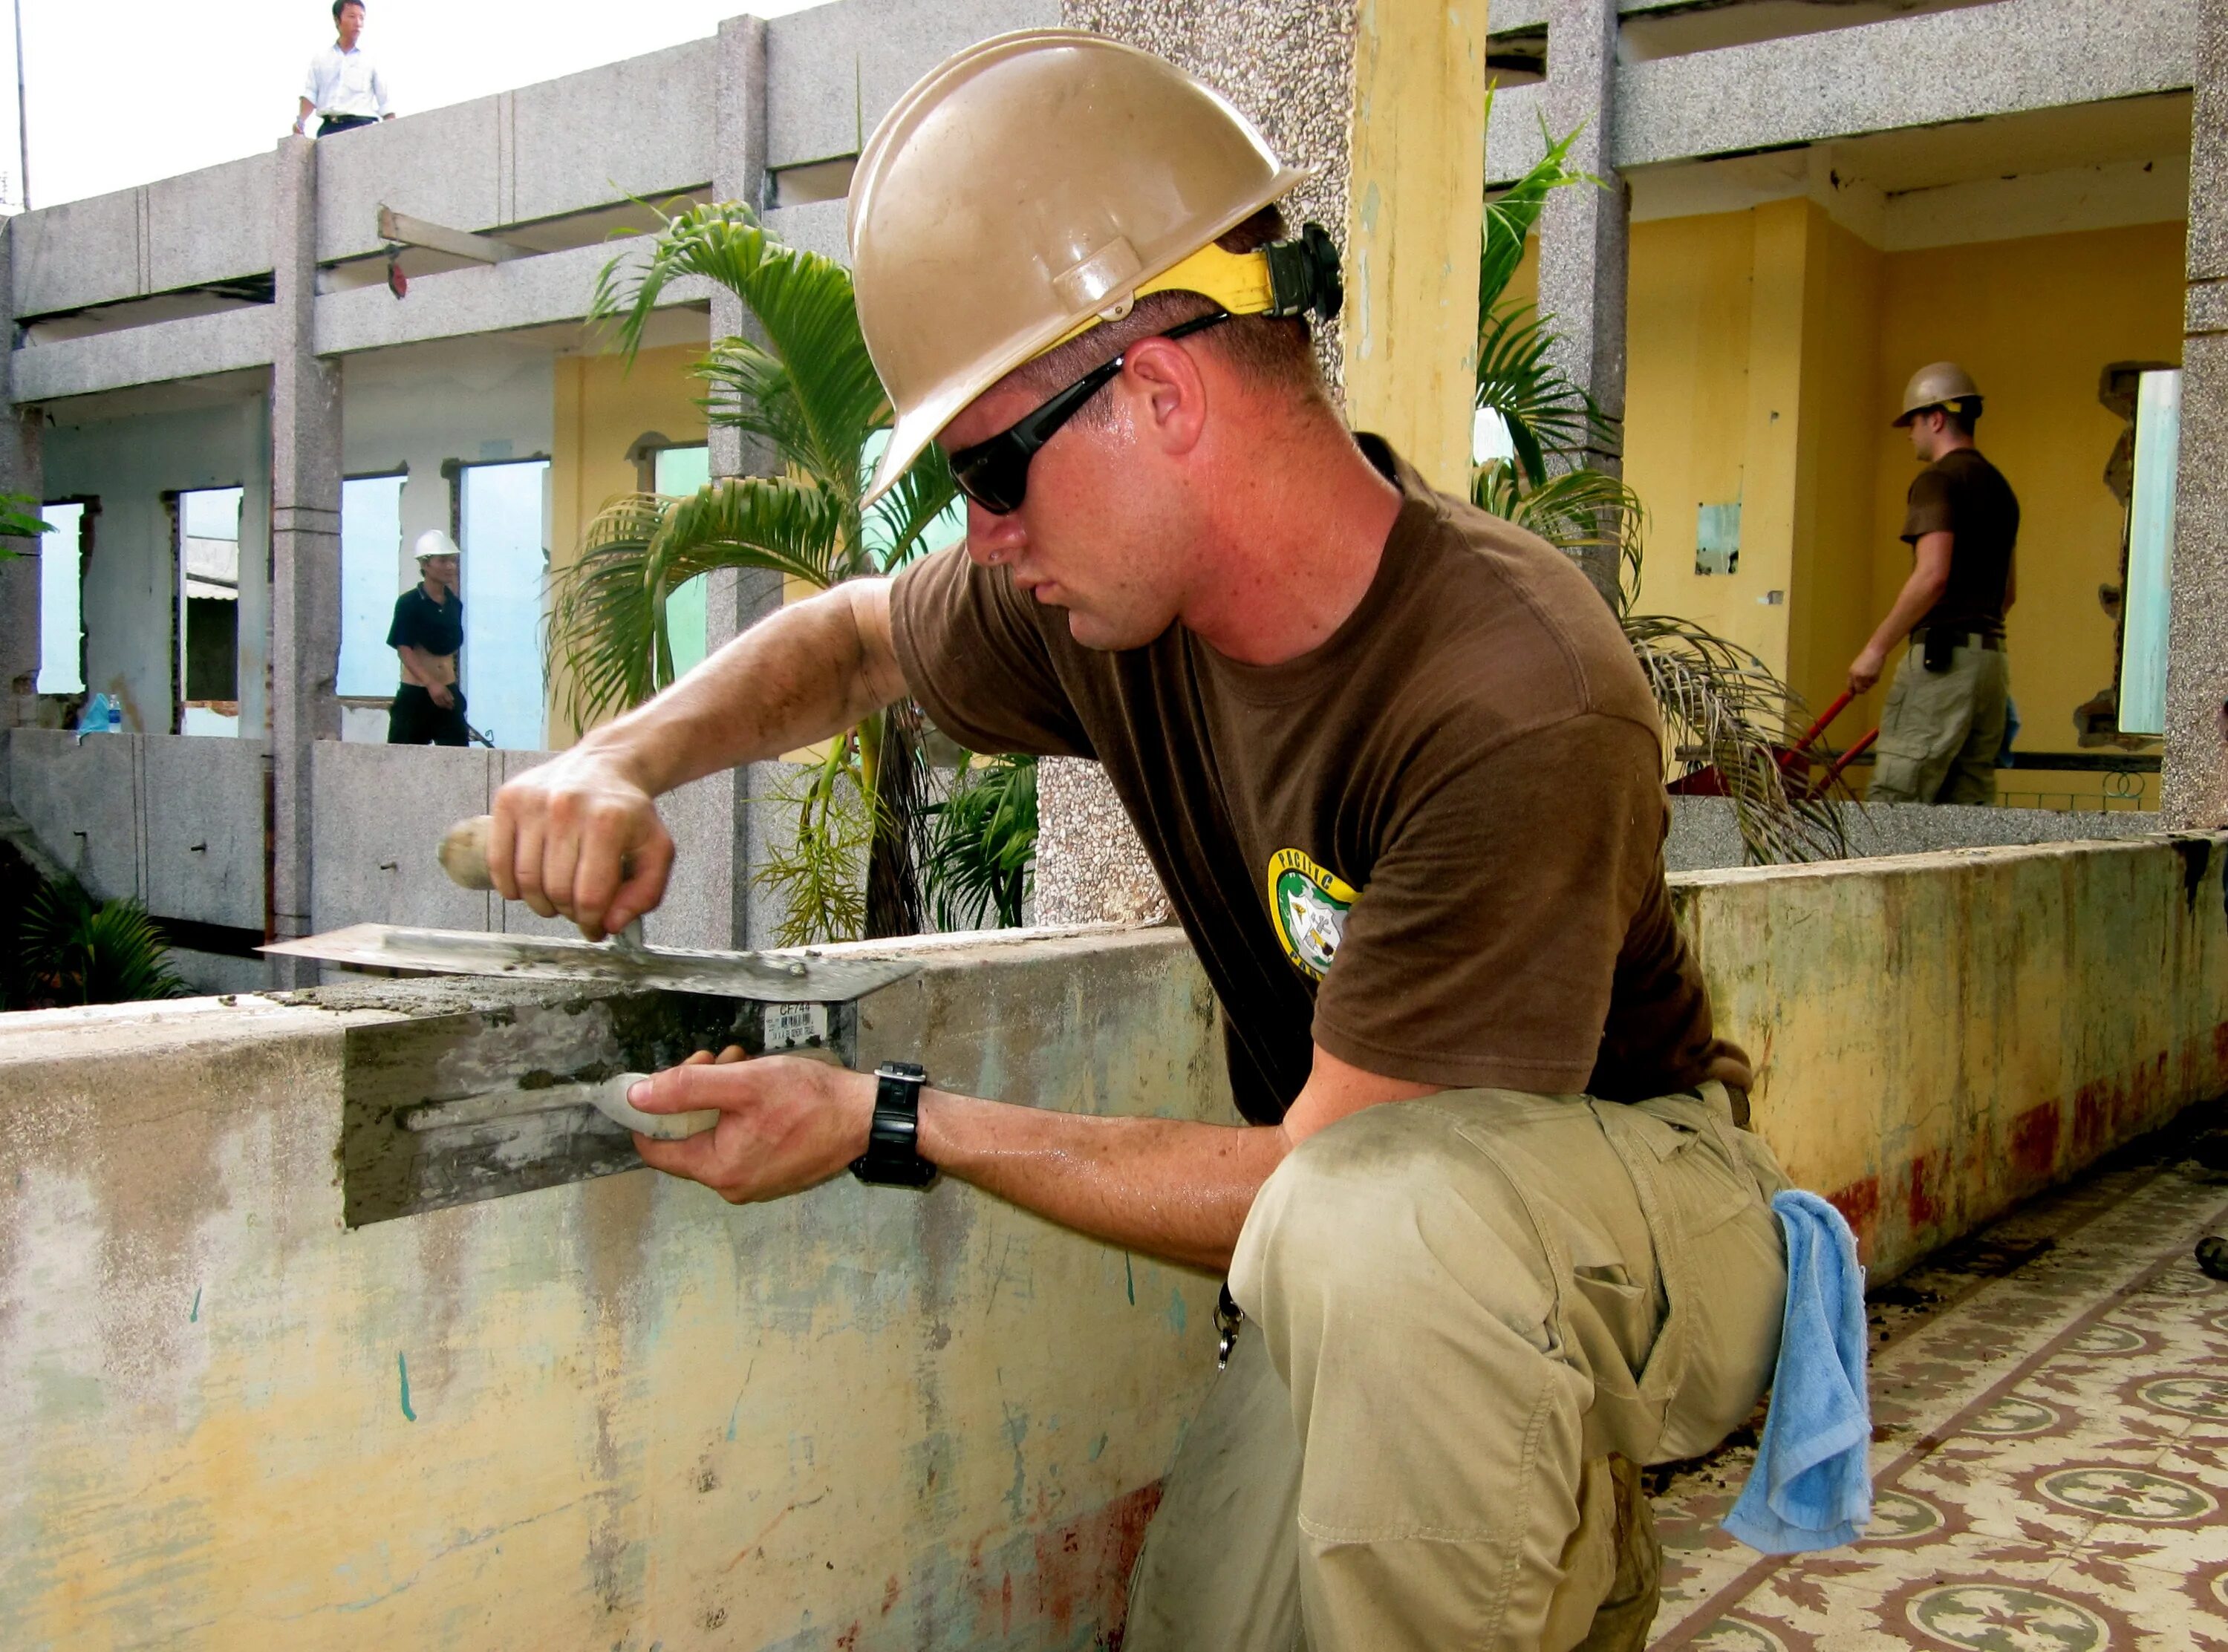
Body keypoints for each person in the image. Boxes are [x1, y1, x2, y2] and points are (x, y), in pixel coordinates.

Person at [486, 33, 1792, 1651]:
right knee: (1208, 1611)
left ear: (1160, 391)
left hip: (1649, 1205)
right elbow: (846, 642)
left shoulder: (1515, 688)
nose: (981, 536)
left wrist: (892, 1119)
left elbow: (1328, 1171)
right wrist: (617, 758)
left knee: (1381, 1237)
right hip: (1370, 1233)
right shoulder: (1104, 605)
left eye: (986, 471)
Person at [1848, 362, 2019, 806]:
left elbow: (1932, 576)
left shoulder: (1938, 480)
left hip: (1941, 661)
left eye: (1913, 423)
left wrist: (1876, 649)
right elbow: (2008, 594)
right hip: (1990, 666)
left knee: (1897, 803)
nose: (1910, 434)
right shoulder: (2000, 488)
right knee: (1965, 814)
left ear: (1937, 419)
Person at [386, 530, 468, 746]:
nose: (450, 566)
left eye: (452, 560)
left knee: (459, 759)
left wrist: (445, 686)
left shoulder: (454, 604)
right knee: (403, 760)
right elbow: (404, 648)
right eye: (443, 561)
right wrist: (430, 683)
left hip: (447, 693)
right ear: (425, 564)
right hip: (418, 694)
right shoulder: (409, 603)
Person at [295, 0, 391, 139]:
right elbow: (310, 93)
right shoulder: (321, 59)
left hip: (362, 128)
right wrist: (301, 121)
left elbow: (385, 102)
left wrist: (392, 132)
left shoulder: (371, 59)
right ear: (337, 20)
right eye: (352, 16)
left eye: (361, 18)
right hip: (329, 129)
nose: (358, 23)